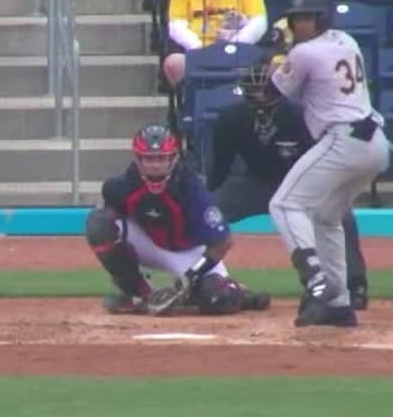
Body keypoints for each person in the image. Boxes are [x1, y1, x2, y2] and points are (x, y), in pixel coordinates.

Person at [265, 0, 390, 328]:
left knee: (284, 204)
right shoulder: (346, 39)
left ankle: (314, 276)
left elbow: (271, 94)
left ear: (321, 19)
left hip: (344, 140)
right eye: (296, 19)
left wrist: (276, 51)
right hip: (375, 144)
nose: (299, 24)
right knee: (326, 217)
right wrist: (285, 50)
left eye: (306, 18)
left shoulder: (304, 53)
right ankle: (337, 302)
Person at [208, 56, 369, 308]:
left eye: (266, 91)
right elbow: (220, 169)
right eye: (255, 92)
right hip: (255, 184)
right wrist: (205, 199)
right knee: (206, 215)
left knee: (342, 215)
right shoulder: (230, 118)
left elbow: (321, 160)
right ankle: (203, 280)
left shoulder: (301, 115)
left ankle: (354, 284)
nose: (261, 98)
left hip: (299, 184)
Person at [85, 123, 271, 317]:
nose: (155, 166)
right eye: (149, 159)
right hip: (149, 243)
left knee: (218, 298)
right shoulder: (119, 187)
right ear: (138, 159)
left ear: (173, 158)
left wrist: (193, 275)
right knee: (99, 225)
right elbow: (108, 222)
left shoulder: (190, 188)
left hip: (189, 252)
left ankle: (241, 294)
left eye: (161, 159)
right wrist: (124, 273)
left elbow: (222, 242)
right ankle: (139, 294)